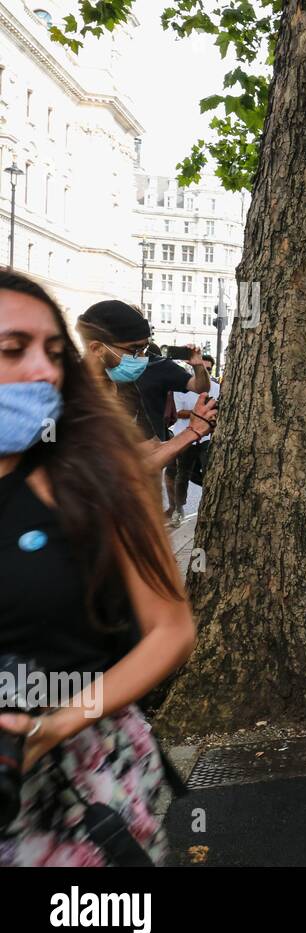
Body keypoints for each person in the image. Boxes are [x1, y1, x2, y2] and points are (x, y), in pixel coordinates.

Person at [0, 271, 196, 866]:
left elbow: (171, 628)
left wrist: (58, 723)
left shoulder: (92, 471)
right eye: (14, 350)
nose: (42, 370)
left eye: (54, 352)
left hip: (81, 796)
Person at [75, 302, 216, 475]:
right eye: (134, 350)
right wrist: (192, 431)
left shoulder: (127, 388)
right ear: (97, 348)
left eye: (144, 349)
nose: (142, 358)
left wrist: (194, 429)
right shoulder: (66, 392)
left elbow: (151, 452)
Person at [165, 354, 220, 528]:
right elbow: (179, 411)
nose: (206, 372)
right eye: (202, 368)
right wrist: (199, 412)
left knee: (210, 473)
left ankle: (209, 508)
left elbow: (218, 409)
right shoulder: (183, 388)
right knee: (183, 475)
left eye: (209, 369)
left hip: (206, 438)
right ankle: (179, 509)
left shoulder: (217, 388)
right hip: (185, 437)